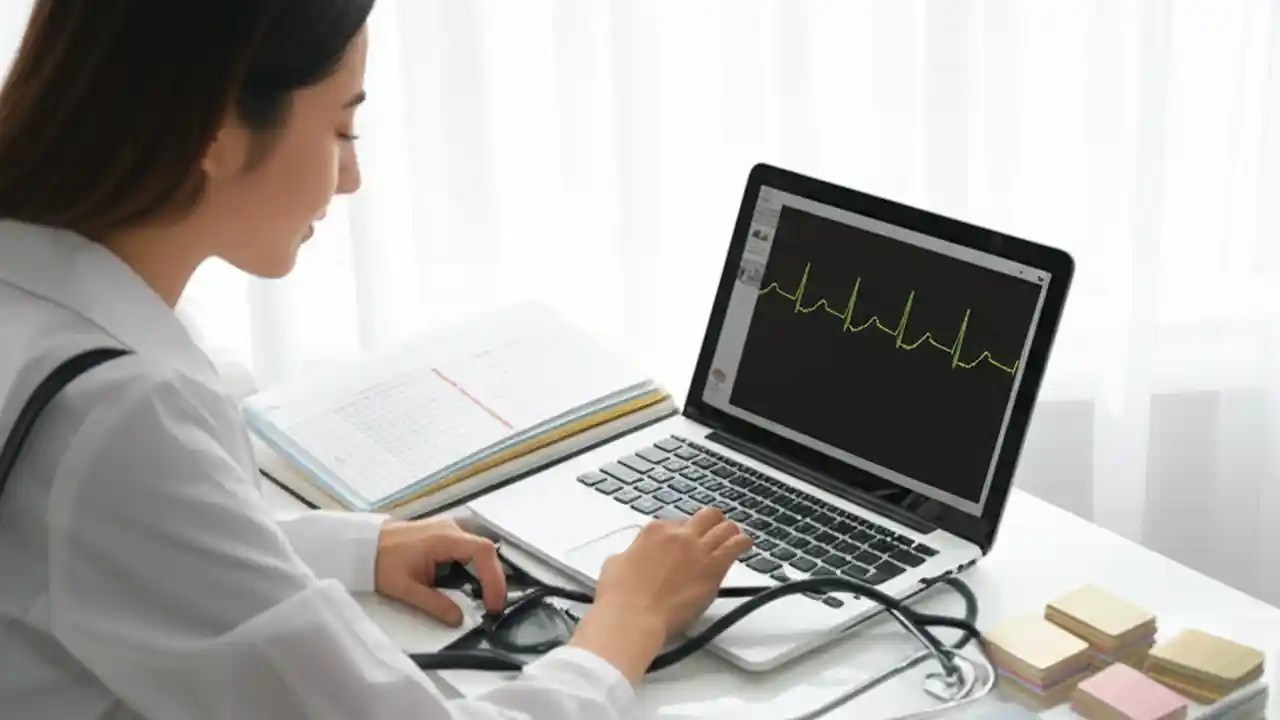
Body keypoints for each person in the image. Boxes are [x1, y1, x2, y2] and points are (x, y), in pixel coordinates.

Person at [0, 2, 751, 718]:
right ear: (216, 127)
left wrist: (359, 547)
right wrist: (627, 622)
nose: (351, 178)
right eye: (342, 129)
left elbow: (122, 553)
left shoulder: (42, 308)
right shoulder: (114, 415)